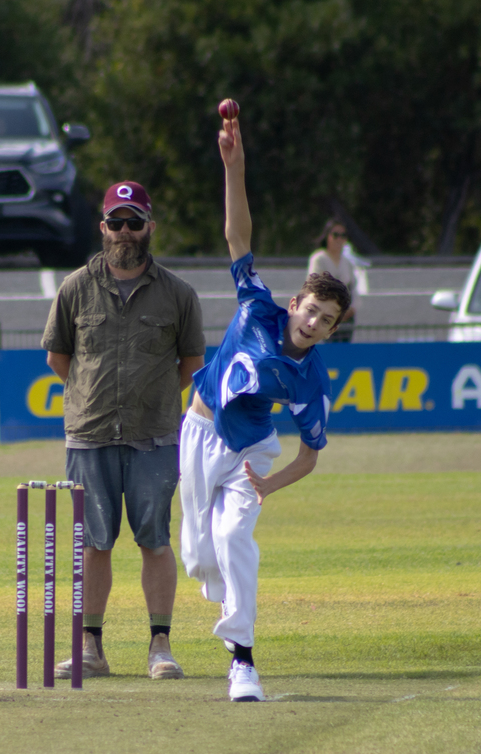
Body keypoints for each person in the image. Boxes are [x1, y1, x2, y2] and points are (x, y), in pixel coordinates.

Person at [179, 118, 351, 702]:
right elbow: (238, 236)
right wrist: (234, 167)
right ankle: (229, 617)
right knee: (200, 556)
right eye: (310, 310)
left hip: (249, 453)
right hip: (199, 431)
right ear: (294, 302)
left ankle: (243, 663)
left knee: (234, 541)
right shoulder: (256, 307)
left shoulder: (310, 379)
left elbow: (311, 454)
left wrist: (268, 487)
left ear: (331, 330)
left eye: (326, 321)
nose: (313, 323)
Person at [41, 180, 205, 680]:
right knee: (95, 542)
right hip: (89, 436)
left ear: (150, 227)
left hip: (155, 437)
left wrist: (148, 400)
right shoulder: (74, 288)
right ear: (103, 227)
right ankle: (91, 647)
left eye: (135, 222)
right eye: (117, 221)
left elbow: (191, 364)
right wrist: (95, 398)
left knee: (154, 540)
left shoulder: (178, 293)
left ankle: (160, 645)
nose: (126, 232)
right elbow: (59, 358)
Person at [308, 219, 360, 342]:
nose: (339, 239)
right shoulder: (319, 259)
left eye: (343, 236)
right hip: (324, 316)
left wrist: (351, 309)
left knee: (344, 354)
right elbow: (315, 287)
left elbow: (353, 288)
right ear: (327, 237)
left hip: (346, 318)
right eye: (335, 235)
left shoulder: (347, 262)